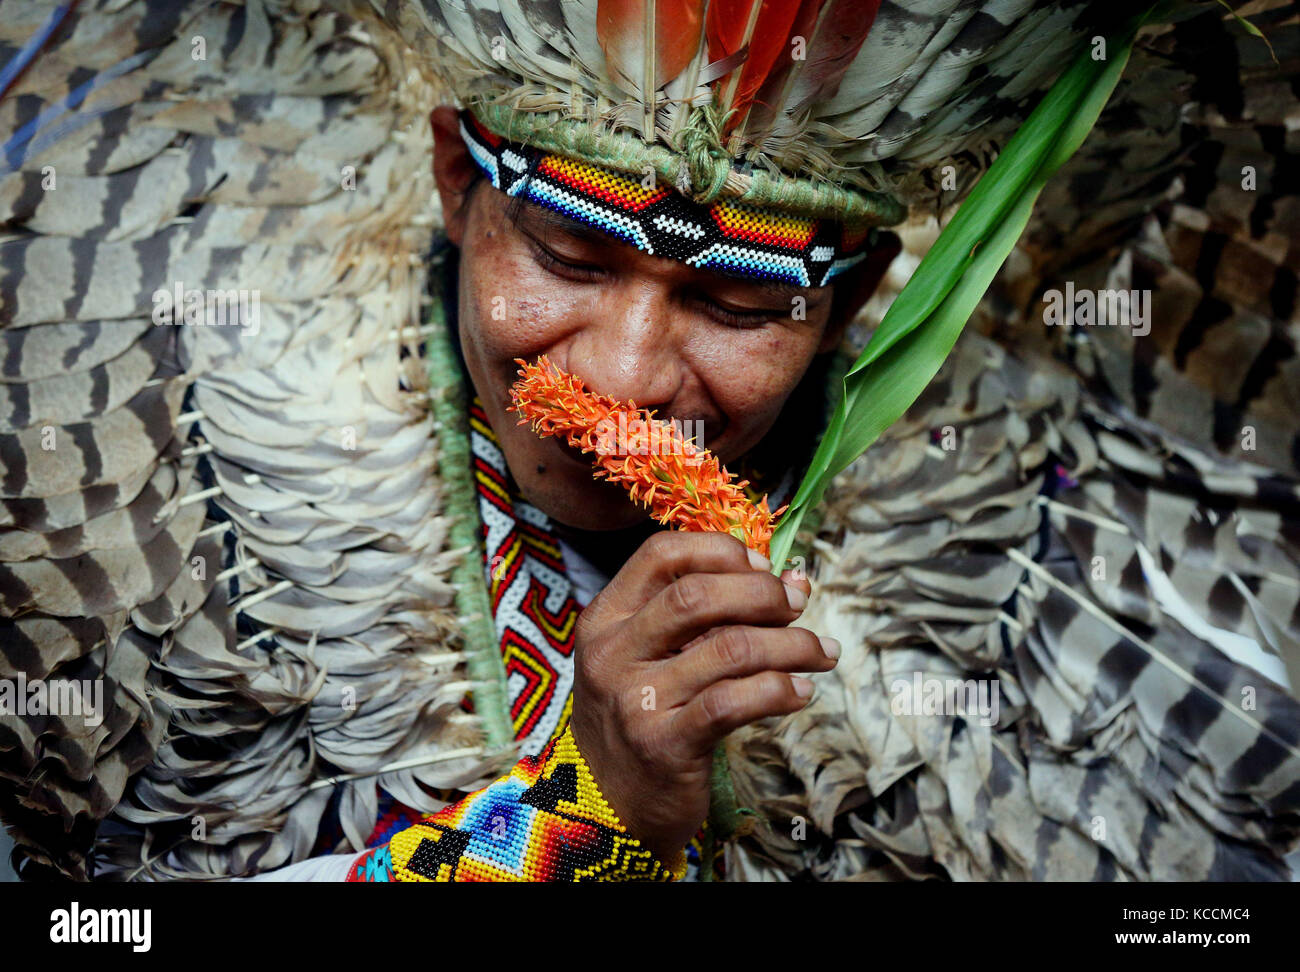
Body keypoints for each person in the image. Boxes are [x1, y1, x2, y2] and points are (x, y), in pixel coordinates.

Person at [3, 0, 1299, 883]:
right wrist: (581, 818)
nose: (622, 373)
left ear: (845, 308)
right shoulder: (183, 460)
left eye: (738, 304)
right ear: (457, 181)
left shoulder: (1022, 528)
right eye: (567, 255)